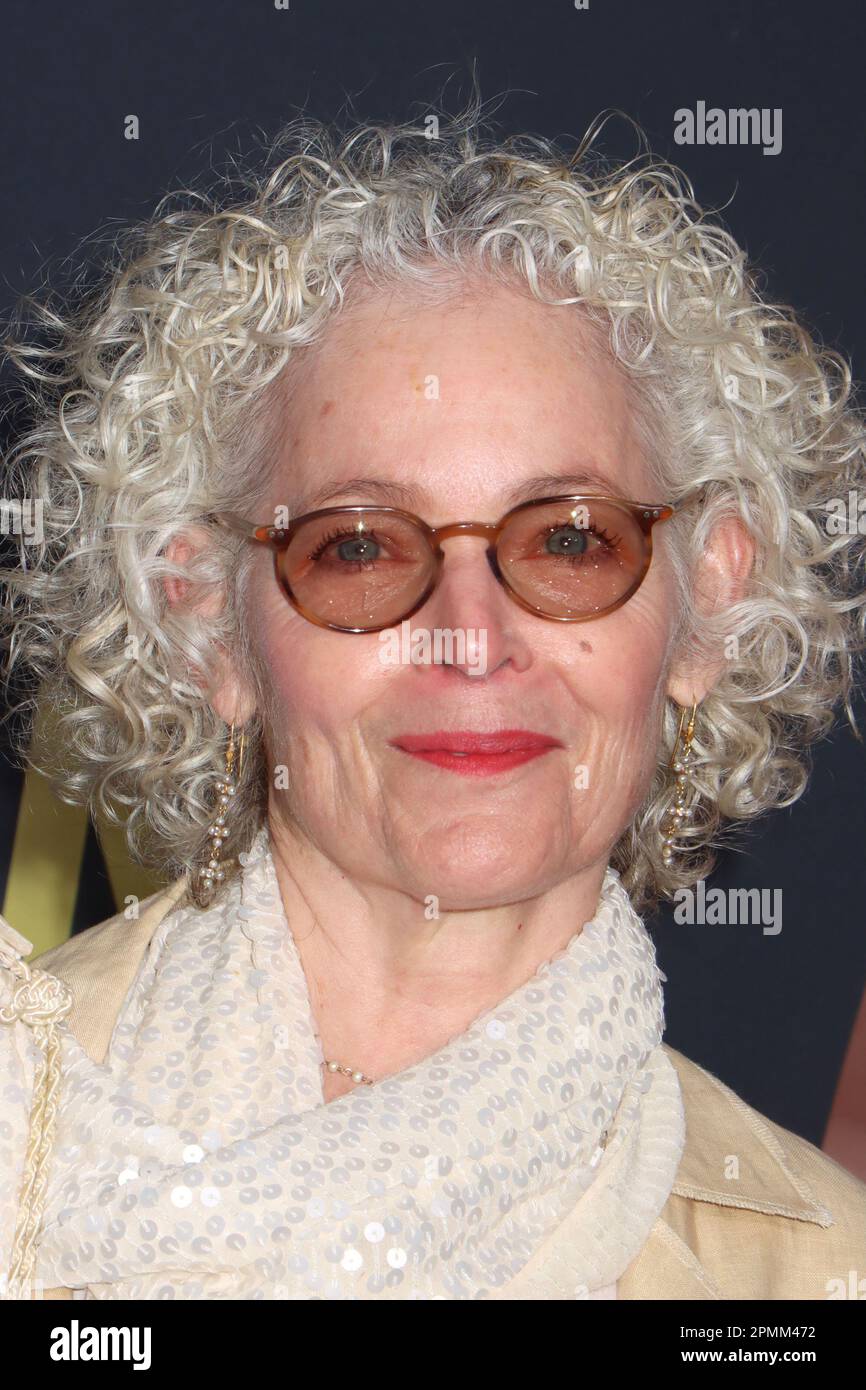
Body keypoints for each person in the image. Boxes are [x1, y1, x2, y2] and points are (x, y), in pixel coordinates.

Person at [1, 103, 864, 1301]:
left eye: (568, 537)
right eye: (359, 548)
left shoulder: (821, 1273)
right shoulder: (18, 1119)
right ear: (209, 619)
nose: (471, 637)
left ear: (703, 598)